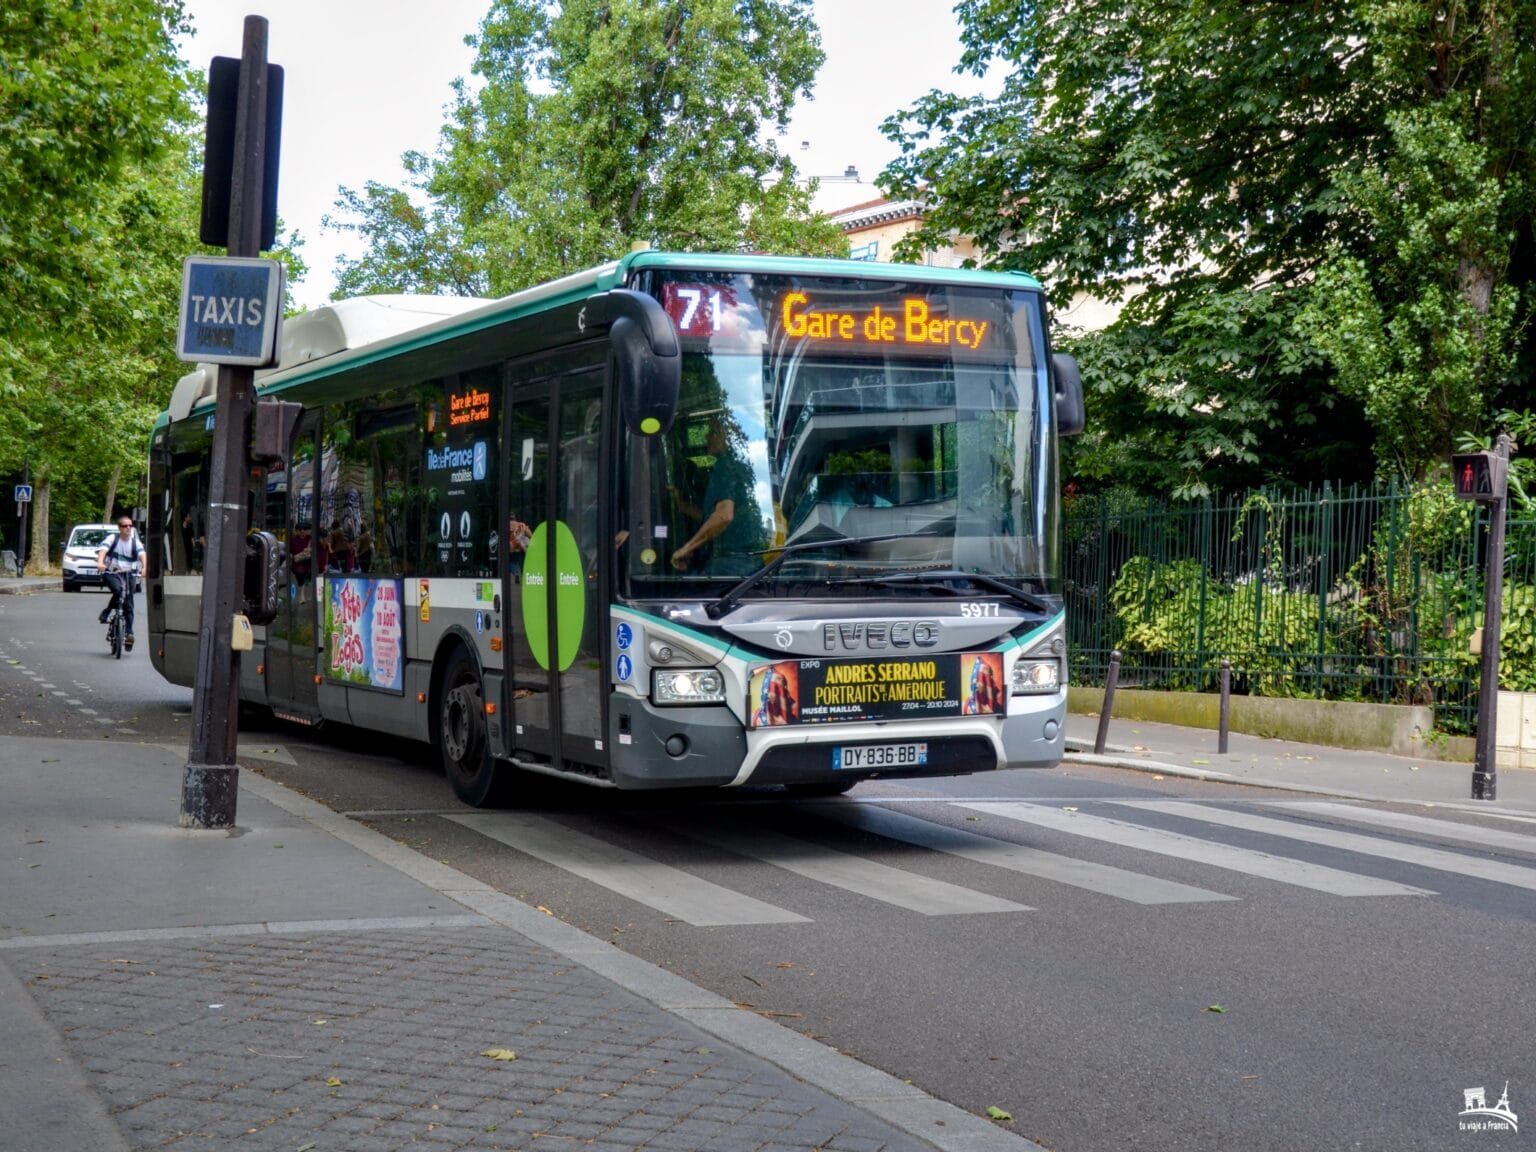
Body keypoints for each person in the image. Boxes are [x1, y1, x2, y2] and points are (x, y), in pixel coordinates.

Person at [670, 414, 763, 574]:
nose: (707, 437)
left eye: (712, 432)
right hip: (744, 562)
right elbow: (709, 517)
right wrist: (682, 506)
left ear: (725, 437)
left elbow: (724, 516)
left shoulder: (725, 467)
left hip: (730, 562)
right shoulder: (732, 467)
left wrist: (687, 547)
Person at [97, 517, 147, 651]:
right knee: (118, 591)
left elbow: (142, 555)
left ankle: (129, 634)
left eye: (130, 525)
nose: (128, 528)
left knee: (129, 604)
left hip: (129, 574)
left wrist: (144, 567)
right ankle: (107, 611)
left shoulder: (135, 543)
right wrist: (100, 562)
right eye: (125, 526)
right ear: (119, 528)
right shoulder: (113, 539)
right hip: (112, 572)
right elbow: (103, 551)